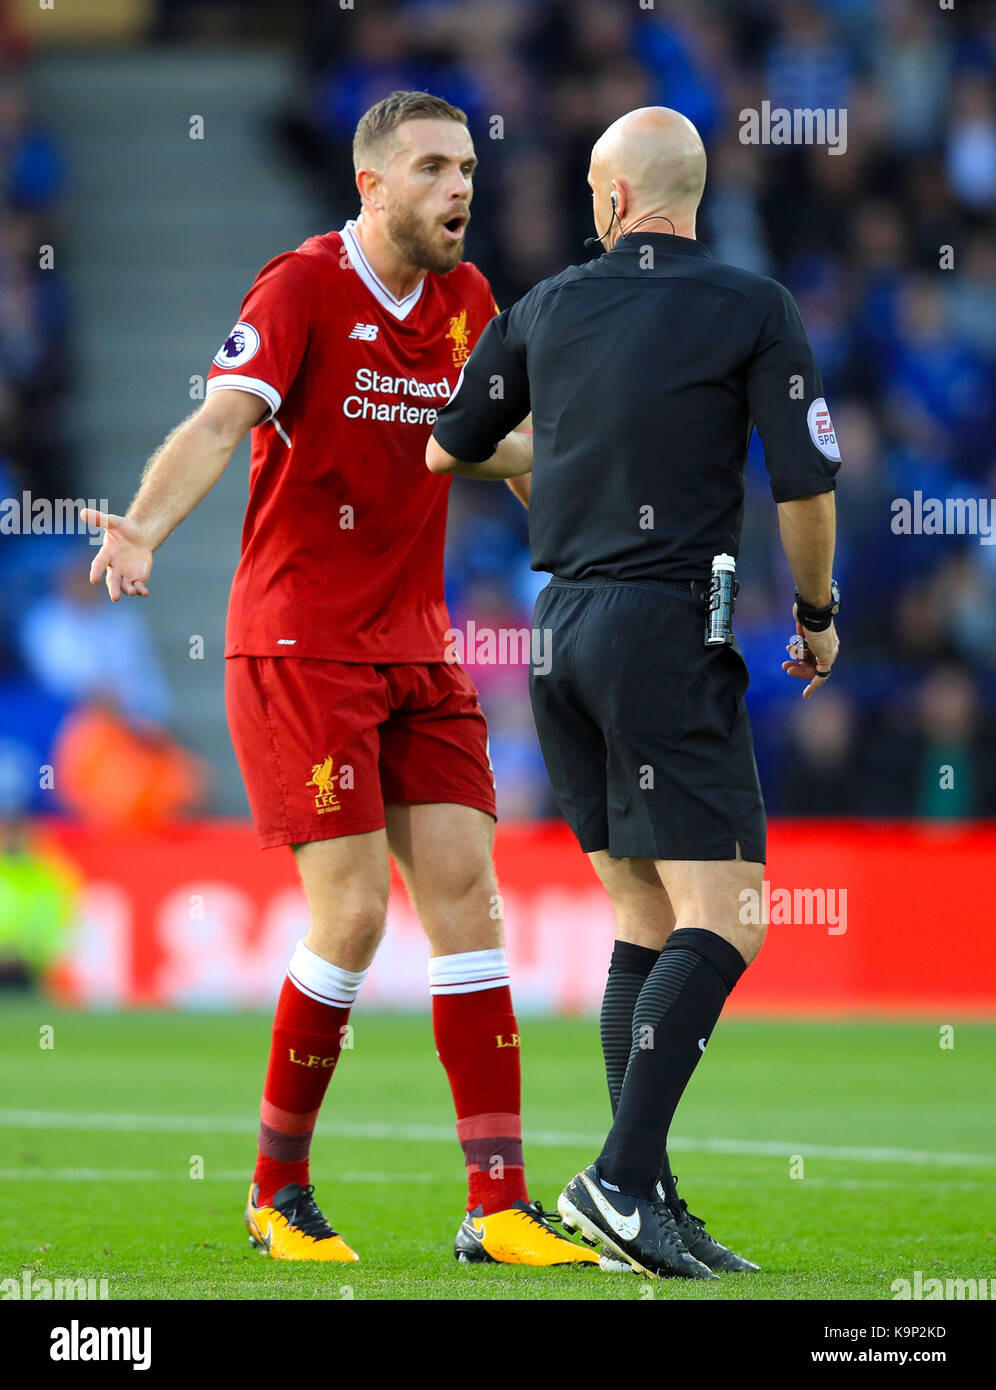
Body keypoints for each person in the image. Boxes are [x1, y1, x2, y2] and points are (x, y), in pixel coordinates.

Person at [83, 90, 596, 1271]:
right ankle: (276, 1192)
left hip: (418, 644)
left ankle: (499, 1206)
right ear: (371, 186)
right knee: (357, 914)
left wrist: (595, 532)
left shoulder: (472, 306)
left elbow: (499, 443)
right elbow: (221, 419)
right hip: (304, 641)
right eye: (430, 168)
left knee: (471, 894)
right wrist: (148, 526)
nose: (459, 186)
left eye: (466, 166)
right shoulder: (304, 286)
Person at [427, 106, 841, 1280]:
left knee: (644, 918)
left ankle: (643, 1200)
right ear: (691, 196)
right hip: (669, 624)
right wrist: (815, 615)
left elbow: (450, 445)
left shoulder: (547, 305)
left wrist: (564, 465)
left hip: (558, 631)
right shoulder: (753, 305)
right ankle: (616, 1179)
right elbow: (804, 484)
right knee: (732, 916)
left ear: (610, 201)